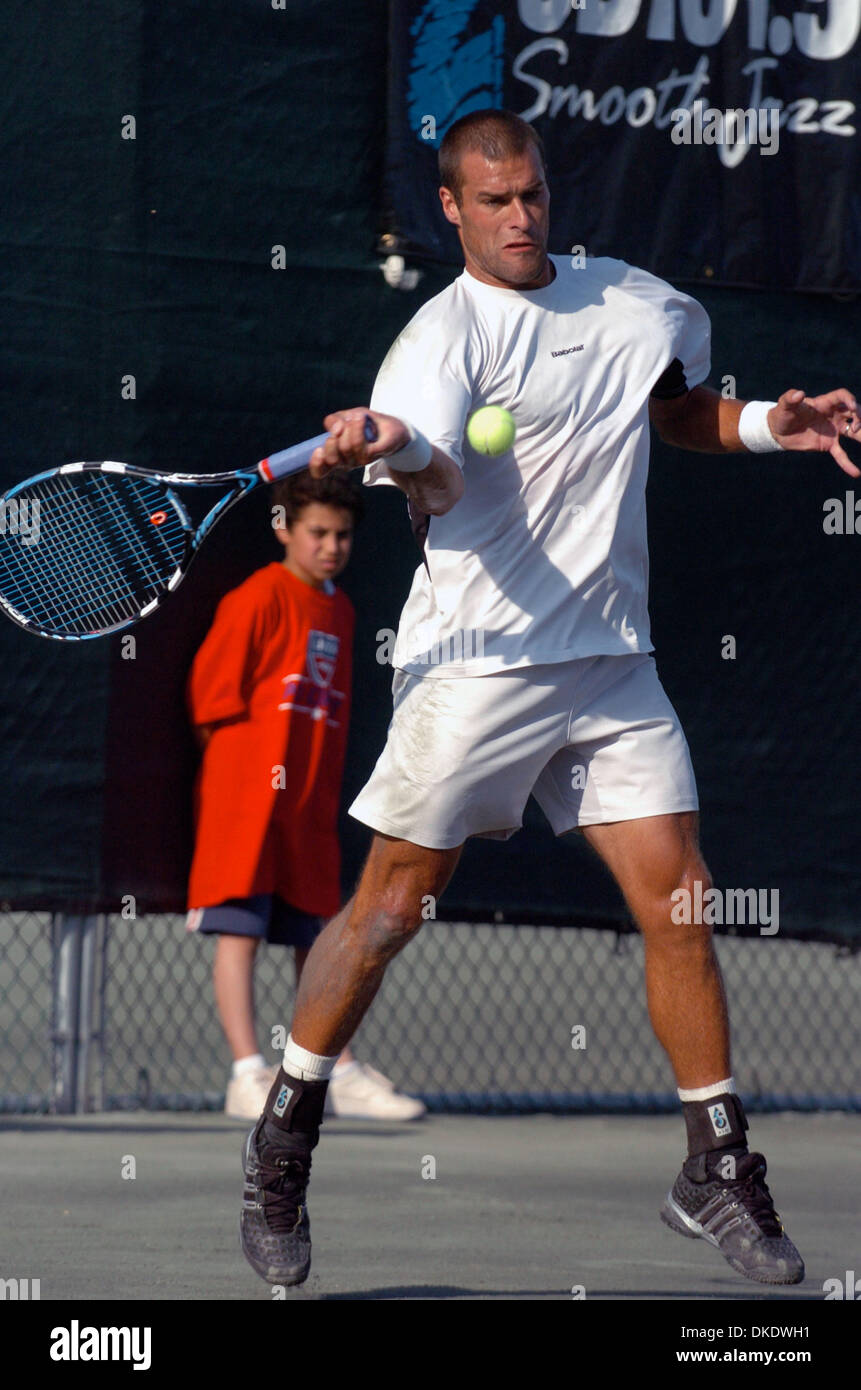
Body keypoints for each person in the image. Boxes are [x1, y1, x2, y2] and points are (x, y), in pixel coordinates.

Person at [239, 109, 860, 1289]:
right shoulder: (437, 342)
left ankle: (716, 1164)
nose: (520, 217)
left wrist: (779, 427)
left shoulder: (639, 302)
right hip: (474, 665)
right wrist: (388, 443)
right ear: (451, 211)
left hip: (611, 663)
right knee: (387, 913)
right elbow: (436, 457)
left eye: (532, 194)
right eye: (495, 201)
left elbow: (676, 412)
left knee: (682, 898)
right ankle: (285, 1137)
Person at [185, 469, 425, 1123]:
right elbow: (210, 699)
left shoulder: (341, 610)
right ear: (284, 528)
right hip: (245, 808)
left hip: (307, 811)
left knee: (315, 939)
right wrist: (246, 783)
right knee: (238, 934)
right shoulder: (258, 596)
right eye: (317, 532)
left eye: (343, 535)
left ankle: (332, 1069)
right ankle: (244, 1074)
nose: (330, 545)